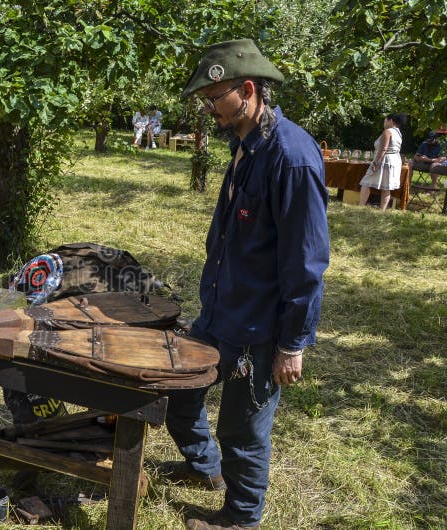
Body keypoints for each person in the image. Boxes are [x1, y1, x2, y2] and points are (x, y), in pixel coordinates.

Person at [161, 39, 330, 530]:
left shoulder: (292, 156)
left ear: (248, 90)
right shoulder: (243, 142)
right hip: (219, 311)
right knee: (181, 393)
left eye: (215, 98)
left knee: (243, 428)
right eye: (207, 100)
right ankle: (204, 468)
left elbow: (306, 263)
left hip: (259, 327)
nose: (209, 108)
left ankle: (240, 518)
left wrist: (292, 344)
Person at [358, 113, 405, 210]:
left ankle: (361, 206)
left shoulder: (388, 131)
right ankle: (382, 211)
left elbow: (383, 149)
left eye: (385, 120)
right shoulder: (398, 132)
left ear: (390, 120)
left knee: (366, 182)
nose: (384, 123)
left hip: (385, 160)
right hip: (395, 160)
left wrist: (376, 162)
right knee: (387, 187)